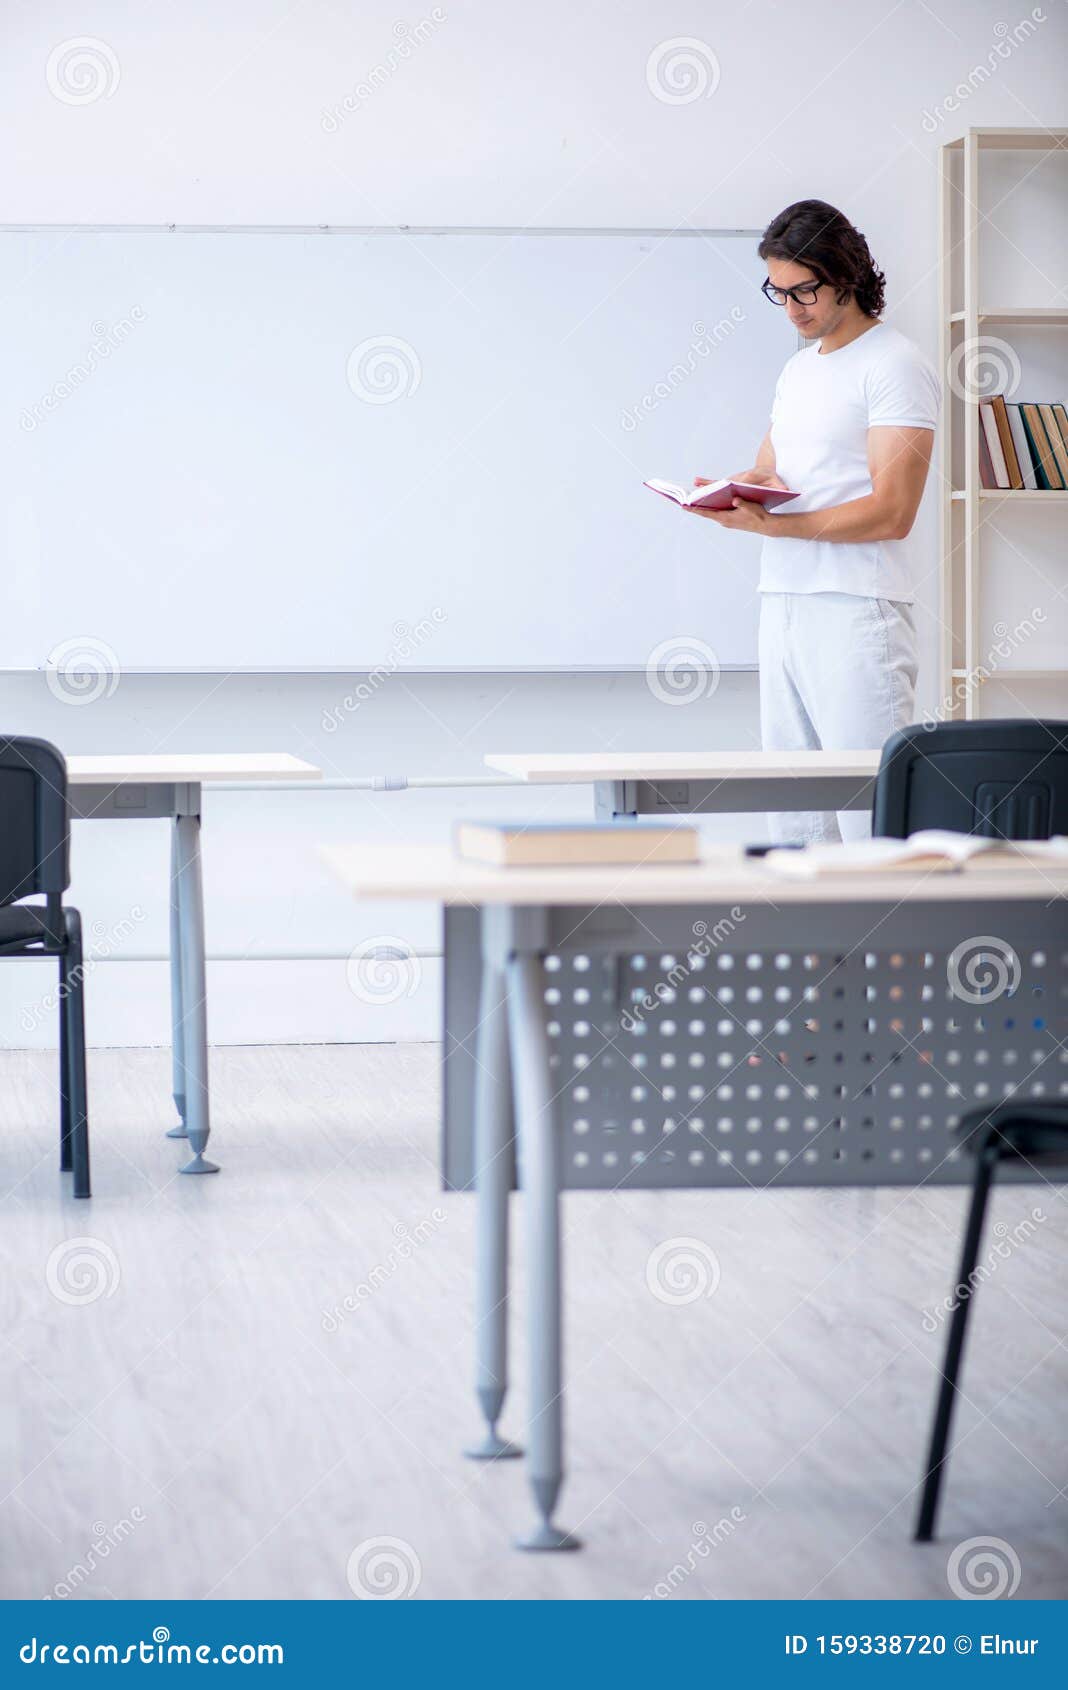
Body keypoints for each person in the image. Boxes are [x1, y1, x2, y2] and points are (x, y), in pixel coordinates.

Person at [689, 199, 940, 842]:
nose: (793, 309)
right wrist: (735, 492)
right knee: (797, 823)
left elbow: (894, 511)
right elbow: (773, 470)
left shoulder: (894, 363)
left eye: (805, 290)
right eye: (779, 292)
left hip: (855, 609)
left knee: (869, 818)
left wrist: (775, 528)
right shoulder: (799, 369)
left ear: (846, 275)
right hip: (784, 602)